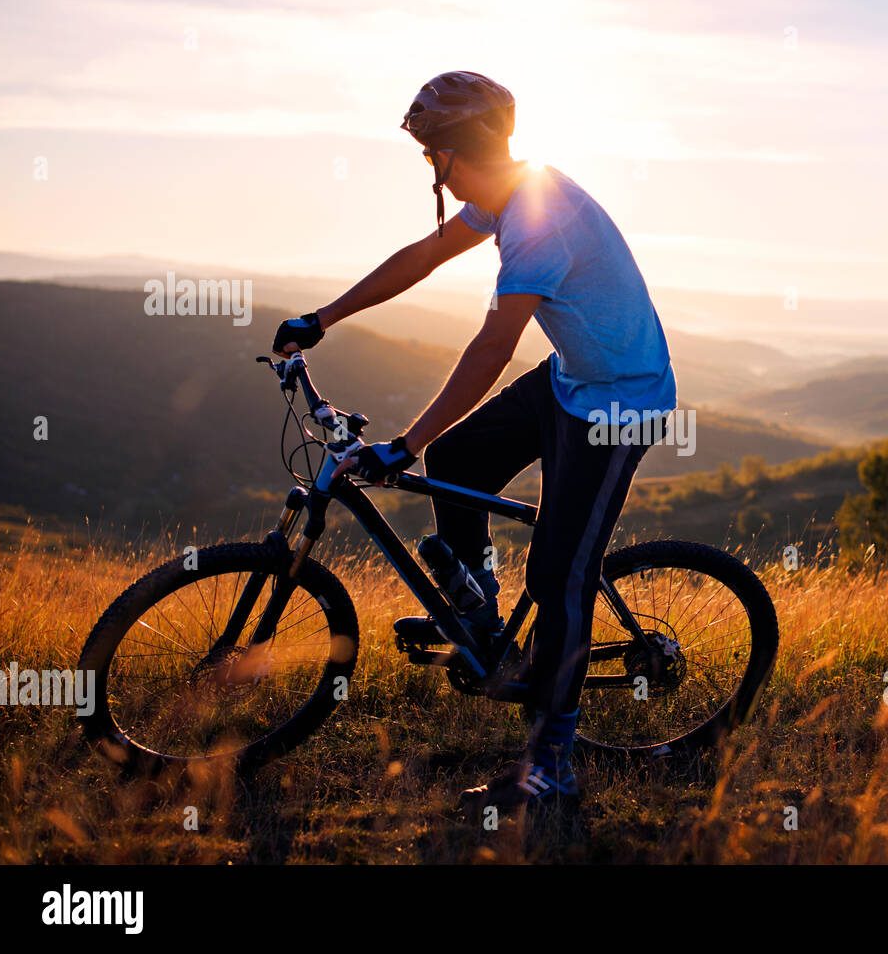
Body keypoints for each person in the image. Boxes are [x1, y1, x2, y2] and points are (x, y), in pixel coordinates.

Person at [271, 70, 676, 814]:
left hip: (623, 405)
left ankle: (553, 760)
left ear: (459, 151)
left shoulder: (538, 219)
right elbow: (422, 257)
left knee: (559, 578)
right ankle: (480, 607)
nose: (430, 168)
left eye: (432, 155)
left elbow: (492, 347)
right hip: (568, 383)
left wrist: (406, 442)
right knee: (459, 459)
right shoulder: (508, 193)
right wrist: (321, 318)